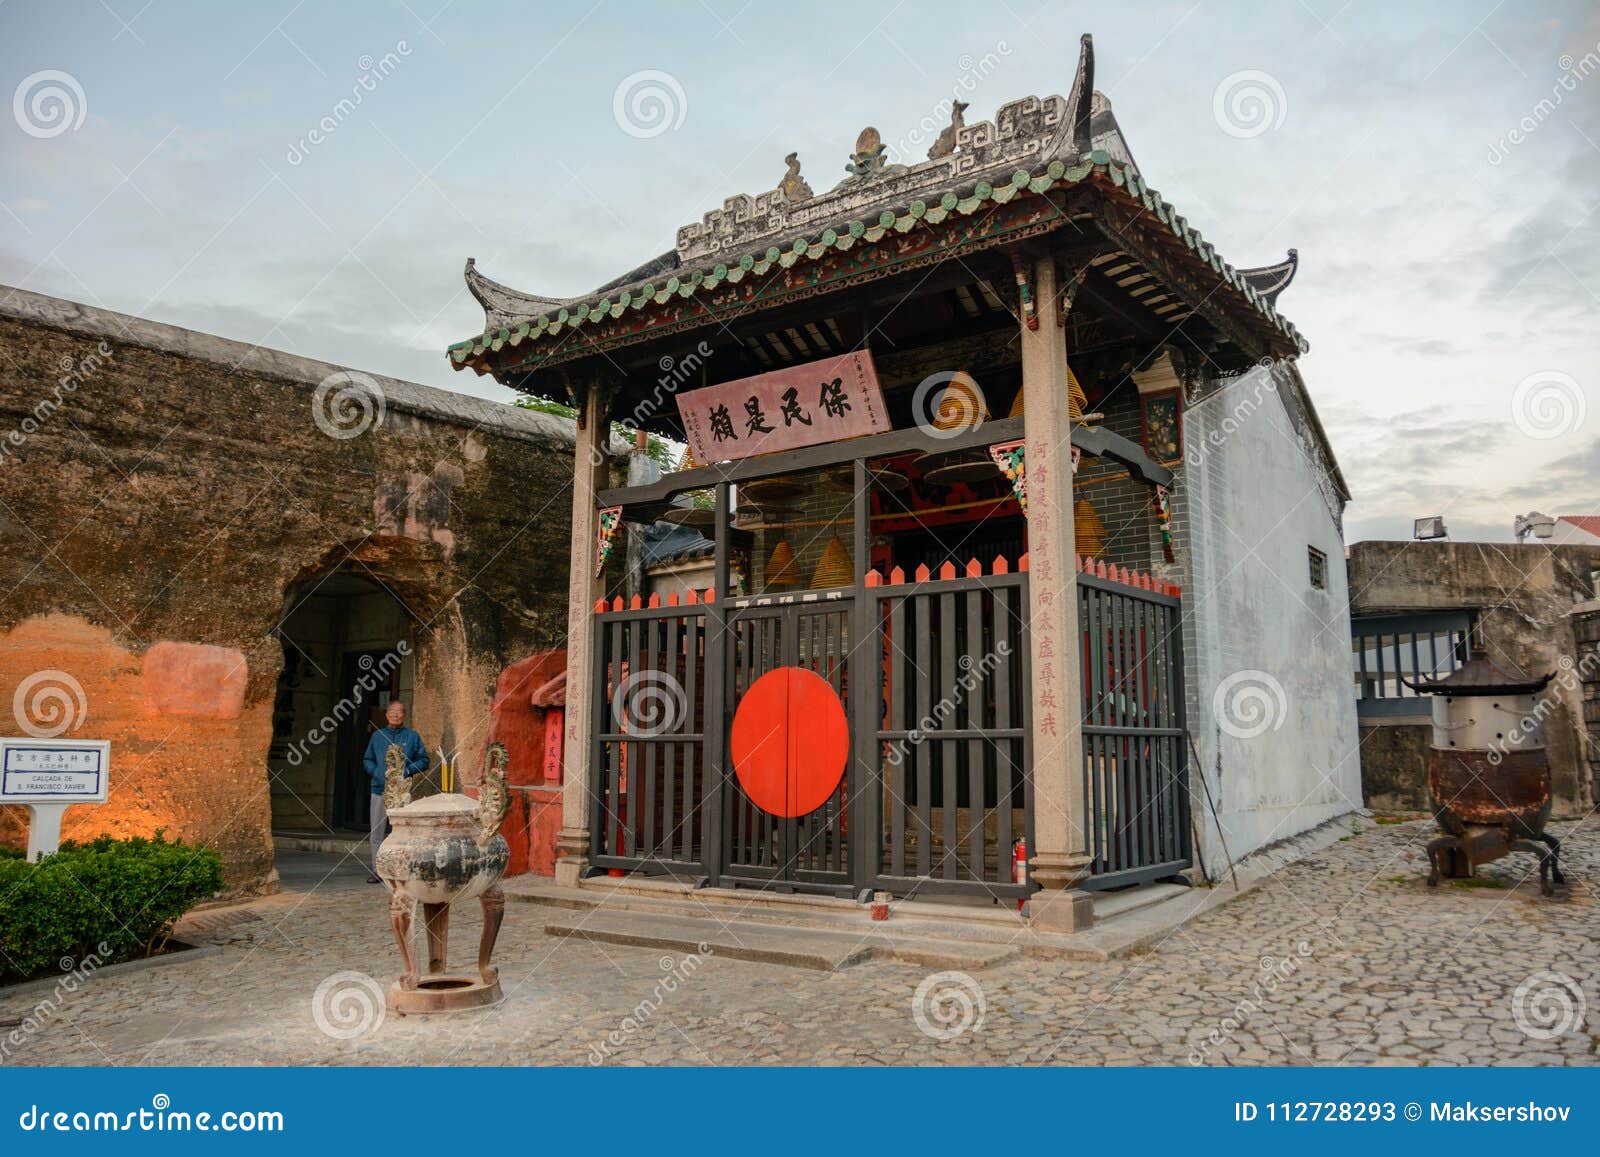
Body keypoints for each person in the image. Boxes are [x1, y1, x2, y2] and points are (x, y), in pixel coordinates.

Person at [362, 699, 429, 883]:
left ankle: (400, 870)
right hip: (379, 790)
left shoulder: (412, 736)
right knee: (376, 833)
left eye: (399, 712)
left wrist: (407, 771)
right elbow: (367, 759)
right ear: (386, 715)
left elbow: (424, 760)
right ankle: (378, 871)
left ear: (404, 715)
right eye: (392, 711)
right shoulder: (377, 736)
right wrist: (377, 773)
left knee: (401, 832)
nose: (395, 714)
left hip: (402, 794)